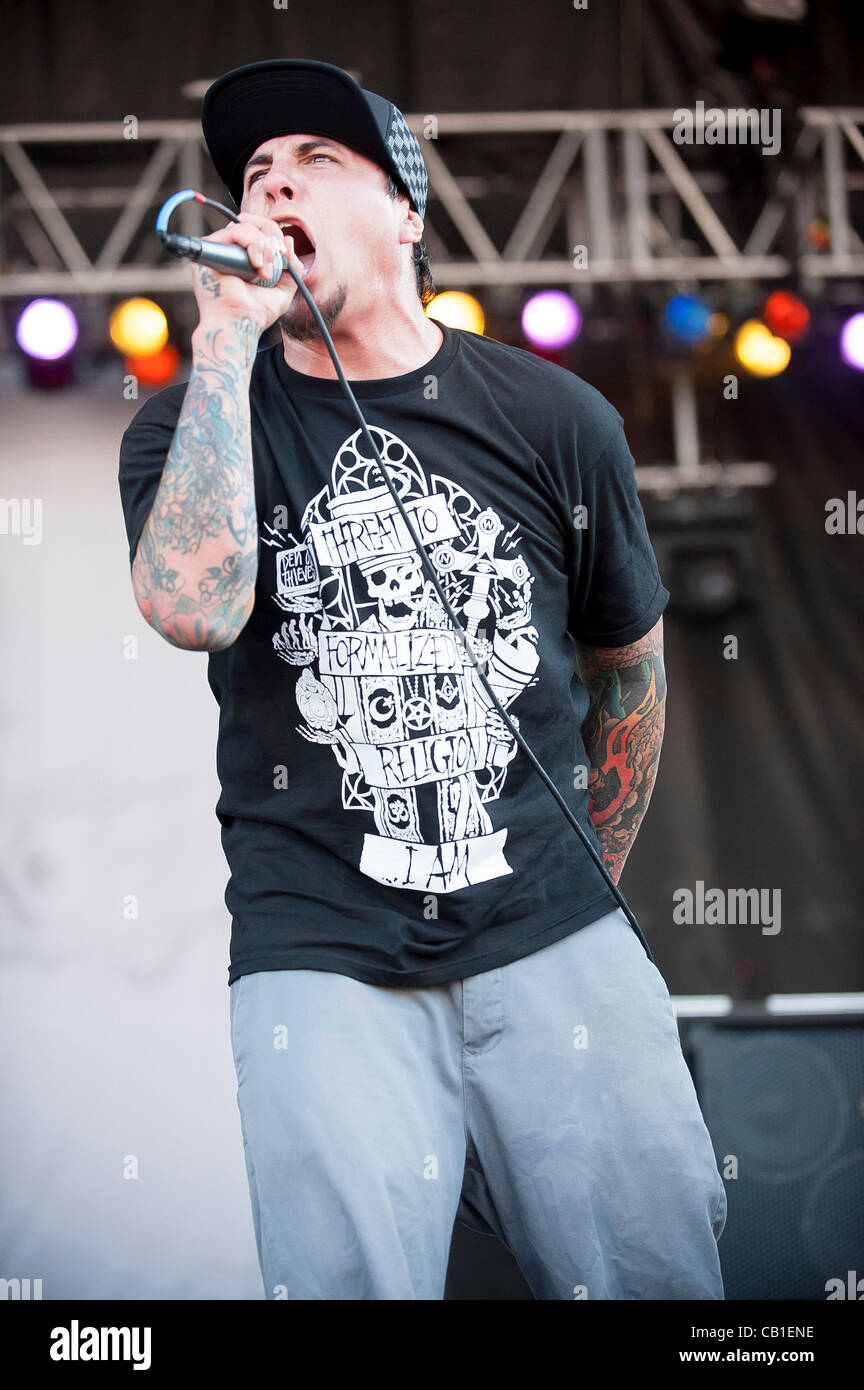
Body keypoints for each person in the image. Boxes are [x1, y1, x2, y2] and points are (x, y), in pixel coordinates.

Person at [117, 58, 727, 1300]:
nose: (272, 180)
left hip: (552, 933)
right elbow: (192, 606)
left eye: (315, 161)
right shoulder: (187, 423)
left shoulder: (556, 418)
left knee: (656, 1279)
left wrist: (577, 879)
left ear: (406, 212)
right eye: (253, 173)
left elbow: (629, 670)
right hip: (318, 951)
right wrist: (227, 344)